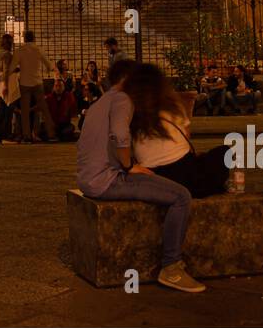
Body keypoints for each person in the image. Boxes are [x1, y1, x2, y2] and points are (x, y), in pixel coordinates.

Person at [76, 58, 205, 293]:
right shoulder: (123, 99)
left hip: (88, 179)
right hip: (109, 180)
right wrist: (128, 167)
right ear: (127, 80)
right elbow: (119, 135)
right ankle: (171, 267)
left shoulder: (99, 103)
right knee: (181, 197)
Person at [126, 62, 230, 198]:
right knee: (223, 152)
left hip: (153, 177)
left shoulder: (131, 113)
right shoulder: (172, 106)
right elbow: (187, 136)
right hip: (185, 176)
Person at [13, 29, 56, 143]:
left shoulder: (19, 50)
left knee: (25, 111)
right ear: (34, 38)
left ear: (24, 38)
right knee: (44, 109)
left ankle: (26, 136)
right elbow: (49, 64)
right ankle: (51, 134)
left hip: (24, 83)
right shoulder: (38, 49)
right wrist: (48, 70)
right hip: (37, 82)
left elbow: (13, 66)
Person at [0, 33, 21, 144]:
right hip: (8, 84)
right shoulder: (7, 54)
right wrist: (7, 85)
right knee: (7, 112)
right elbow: (6, 70)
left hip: (0, 84)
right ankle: (4, 136)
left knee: (2, 112)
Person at [47, 76, 77, 141]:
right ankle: (57, 136)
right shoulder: (49, 97)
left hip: (65, 124)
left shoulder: (69, 96)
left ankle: (58, 136)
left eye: (60, 86)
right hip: (53, 124)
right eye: (56, 86)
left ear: (64, 87)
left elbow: (72, 110)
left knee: (69, 130)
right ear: (53, 87)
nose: (58, 88)